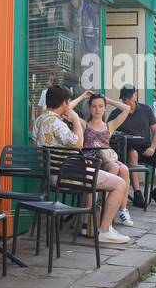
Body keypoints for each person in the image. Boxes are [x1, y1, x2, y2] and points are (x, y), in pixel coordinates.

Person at [33, 85, 131, 243]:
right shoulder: (57, 124)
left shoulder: (40, 120)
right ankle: (105, 229)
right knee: (120, 184)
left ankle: (91, 223)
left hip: (52, 173)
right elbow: (78, 144)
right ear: (65, 103)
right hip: (69, 175)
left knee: (110, 171)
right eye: (68, 102)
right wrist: (76, 122)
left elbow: (62, 114)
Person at [110, 85, 156, 208]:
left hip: (146, 147)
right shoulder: (116, 113)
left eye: (129, 98)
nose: (126, 102)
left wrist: (152, 147)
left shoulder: (146, 109)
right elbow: (109, 134)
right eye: (124, 99)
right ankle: (137, 192)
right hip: (127, 148)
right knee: (133, 153)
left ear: (135, 95)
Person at [79, 91, 134, 227]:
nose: (97, 110)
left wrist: (108, 100)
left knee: (125, 169)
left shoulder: (109, 126)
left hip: (107, 159)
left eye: (101, 106)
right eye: (94, 106)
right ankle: (102, 212)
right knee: (115, 167)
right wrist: (82, 97)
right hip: (92, 161)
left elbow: (127, 108)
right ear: (89, 108)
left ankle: (121, 210)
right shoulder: (84, 124)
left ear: (104, 108)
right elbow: (68, 109)